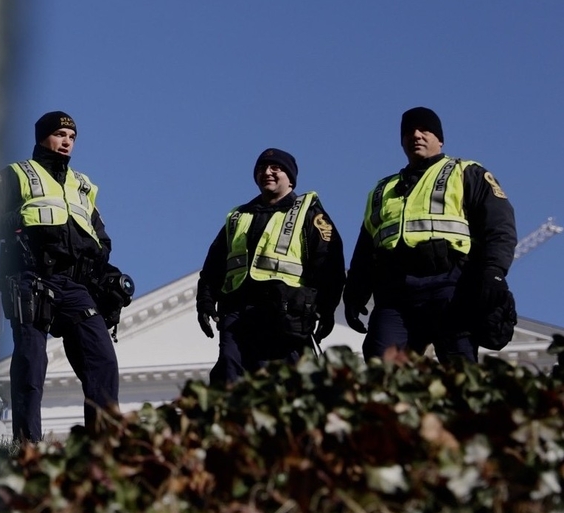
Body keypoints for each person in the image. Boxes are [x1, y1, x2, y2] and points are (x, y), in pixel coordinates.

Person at [342, 107, 517, 363]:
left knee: (457, 368)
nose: (416, 135)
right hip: (395, 292)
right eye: (409, 132)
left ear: (439, 139)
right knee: (381, 367)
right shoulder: (382, 190)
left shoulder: (466, 172)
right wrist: (355, 292)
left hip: (450, 285)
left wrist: (494, 270)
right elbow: (367, 247)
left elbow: (499, 225)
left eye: (425, 130)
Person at [0, 111, 124, 443]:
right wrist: (22, 221)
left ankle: (102, 447)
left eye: (72, 137)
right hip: (32, 277)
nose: (67, 141)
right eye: (59, 134)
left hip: (75, 285)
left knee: (103, 361)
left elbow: (100, 239)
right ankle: (27, 446)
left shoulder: (82, 185)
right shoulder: (18, 174)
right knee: (31, 363)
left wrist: (107, 277)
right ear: (43, 137)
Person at [195, 149, 345, 385]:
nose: (267, 172)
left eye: (276, 168)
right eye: (262, 168)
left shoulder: (309, 213)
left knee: (283, 383)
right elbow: (213, 267)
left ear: (290, 178)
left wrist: (325, 310)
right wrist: (204, 303)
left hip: (285, 315)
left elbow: (330, 265)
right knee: (229, 373)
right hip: (238, 313)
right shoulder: (238, 217)